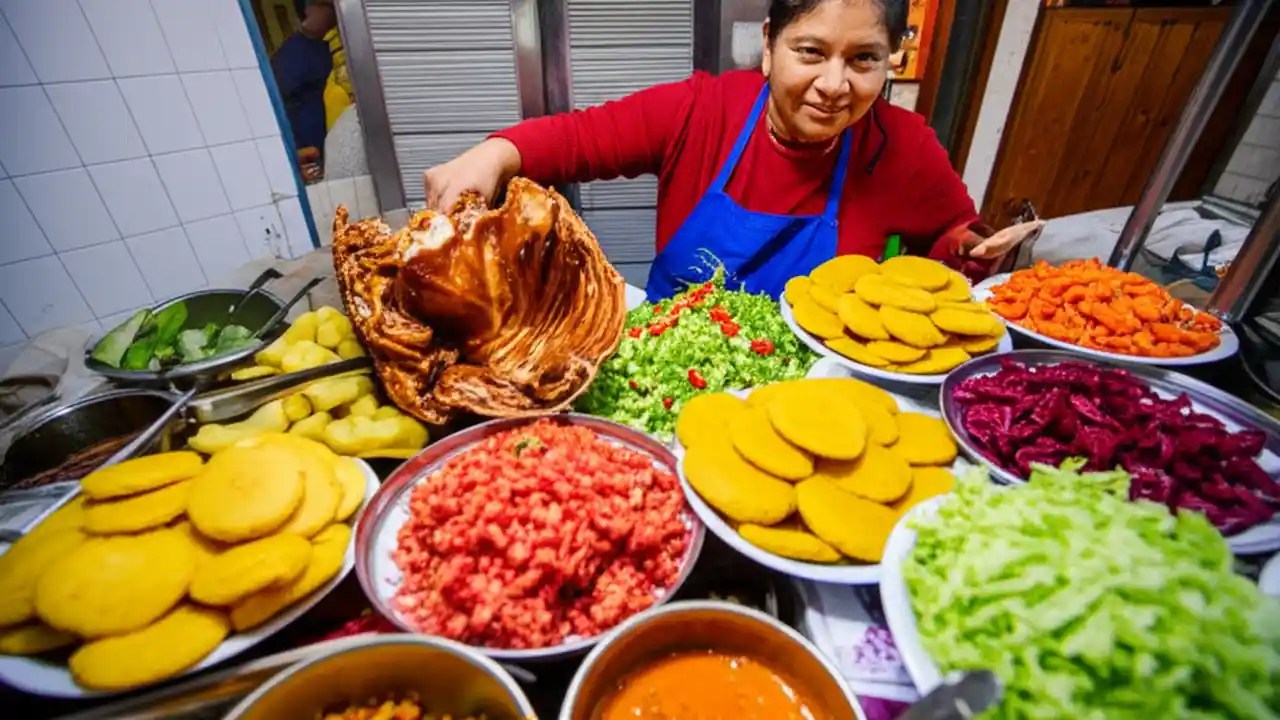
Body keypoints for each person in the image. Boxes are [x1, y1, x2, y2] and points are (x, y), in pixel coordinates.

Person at [425, 0, 1042, 300]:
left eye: (863, 60)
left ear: (889, 61)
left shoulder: (902, 146)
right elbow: (577, 139)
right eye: (810, 52)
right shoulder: (704, 109)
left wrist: (971, 250)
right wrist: (494, 155)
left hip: (819, 394)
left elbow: (948, 238)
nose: (835, 85)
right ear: (770, 45)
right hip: (675, 374)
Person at [273, 0, 337, 161]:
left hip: (327, 129)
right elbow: (281, 90)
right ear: (309, 10)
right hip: (305, 134)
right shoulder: (294, 50)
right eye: (324, 8)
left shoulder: (330, 44)